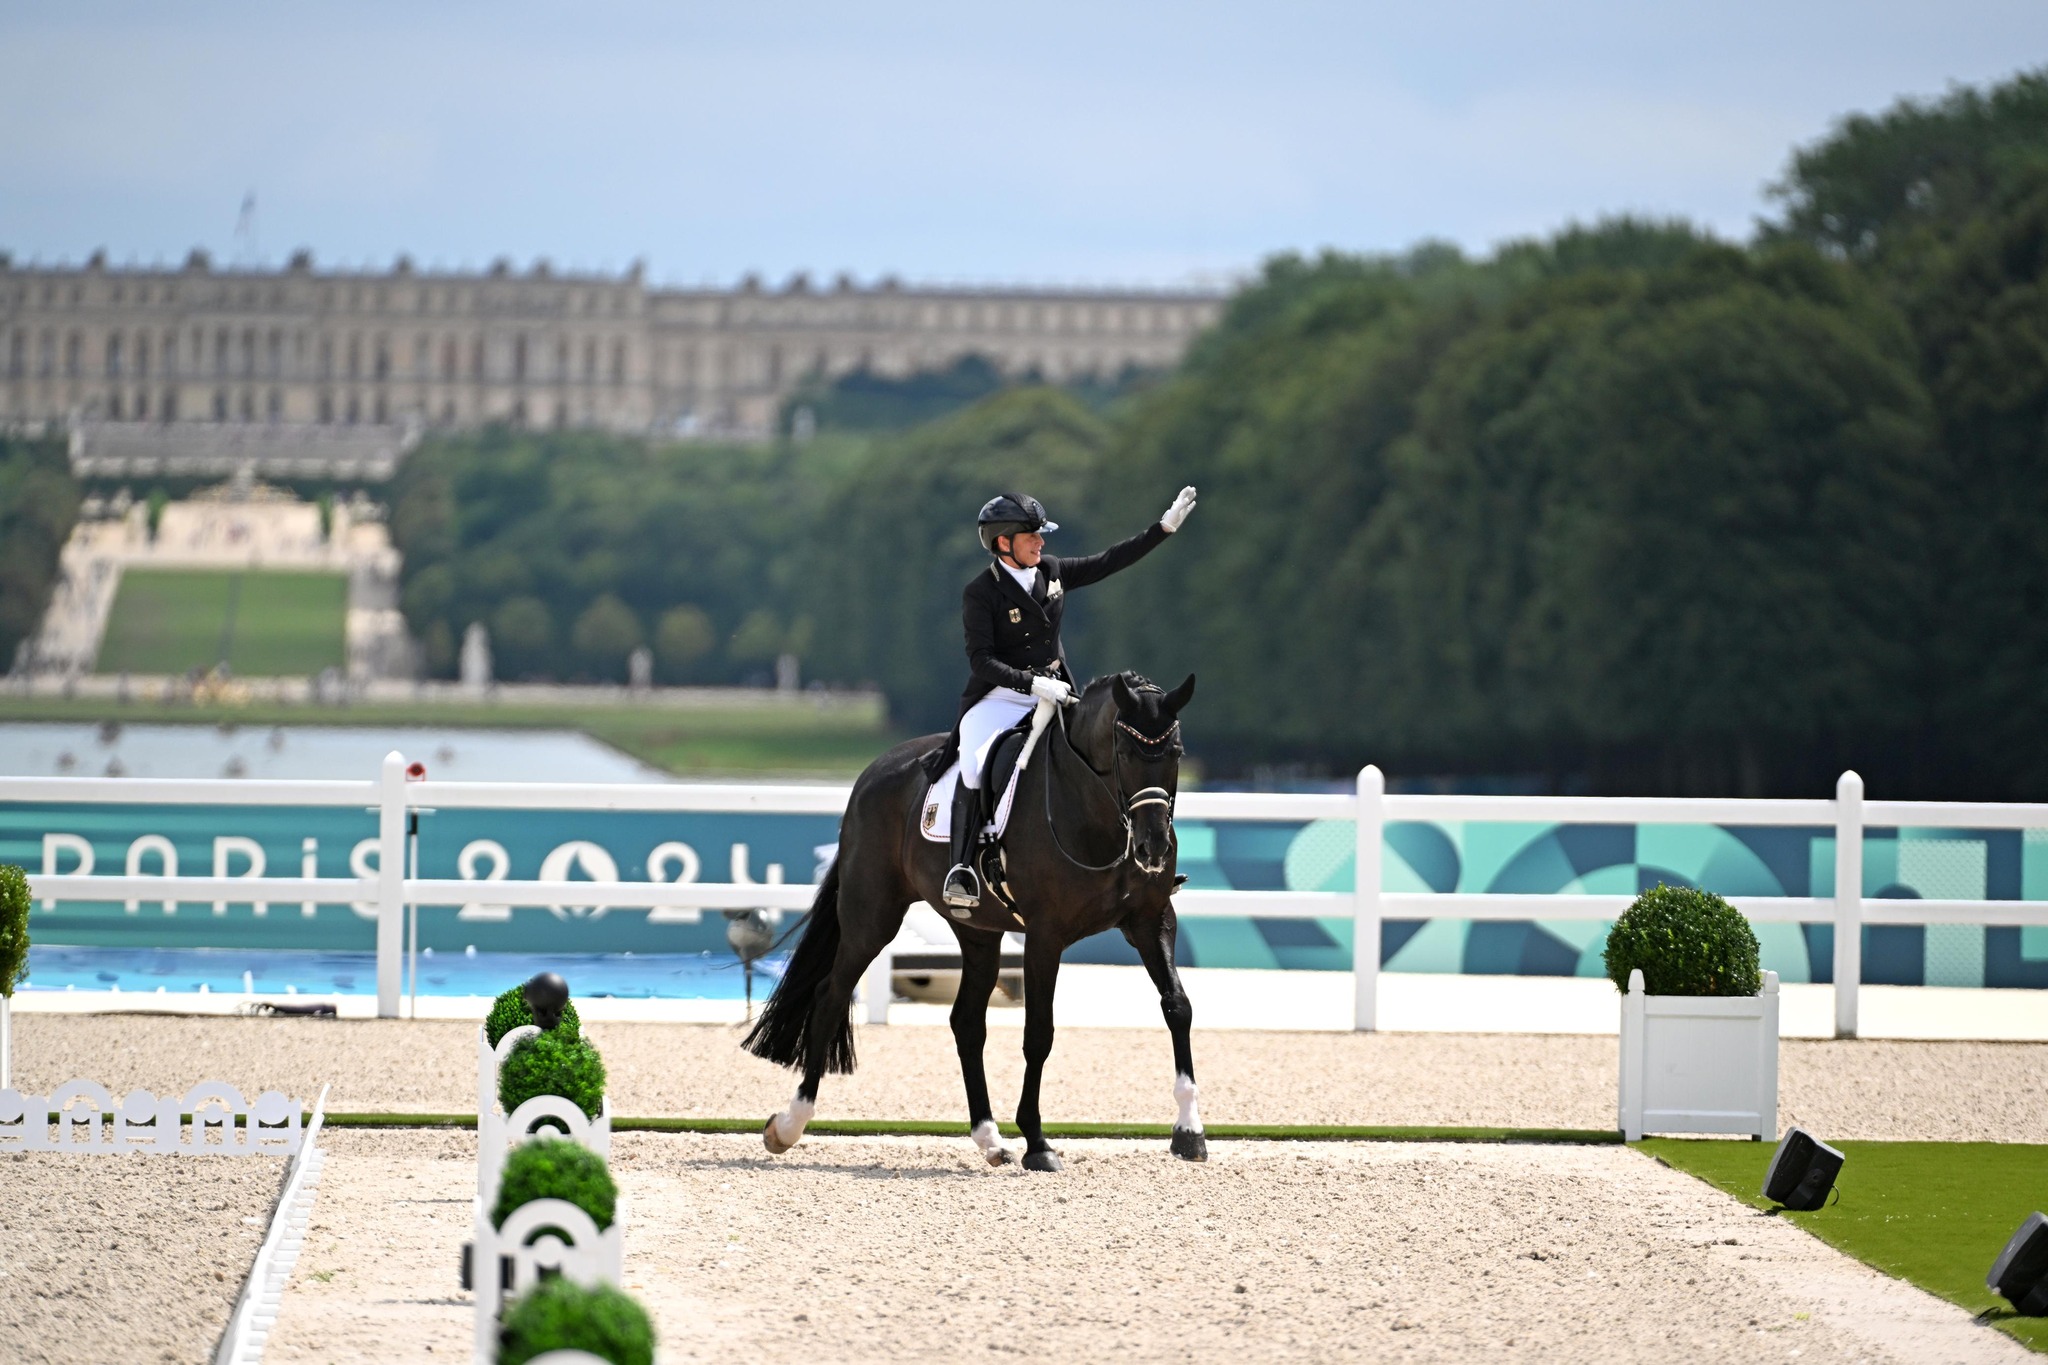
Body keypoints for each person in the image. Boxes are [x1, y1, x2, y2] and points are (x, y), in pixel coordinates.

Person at [937, 486, 1198, 910]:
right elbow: (981, 660)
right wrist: (1030, 682)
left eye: (1042, 535)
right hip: (1001, 697)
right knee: (974, 764)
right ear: (1004, 543)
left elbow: (1109, 561)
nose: (1042, 543)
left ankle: (1142, 862)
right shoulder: (980, 593)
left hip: (1059, 693)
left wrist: (1162, 530)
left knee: (1113, 755)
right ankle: (962, 867)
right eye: (1032, 537)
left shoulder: (1052, 571)